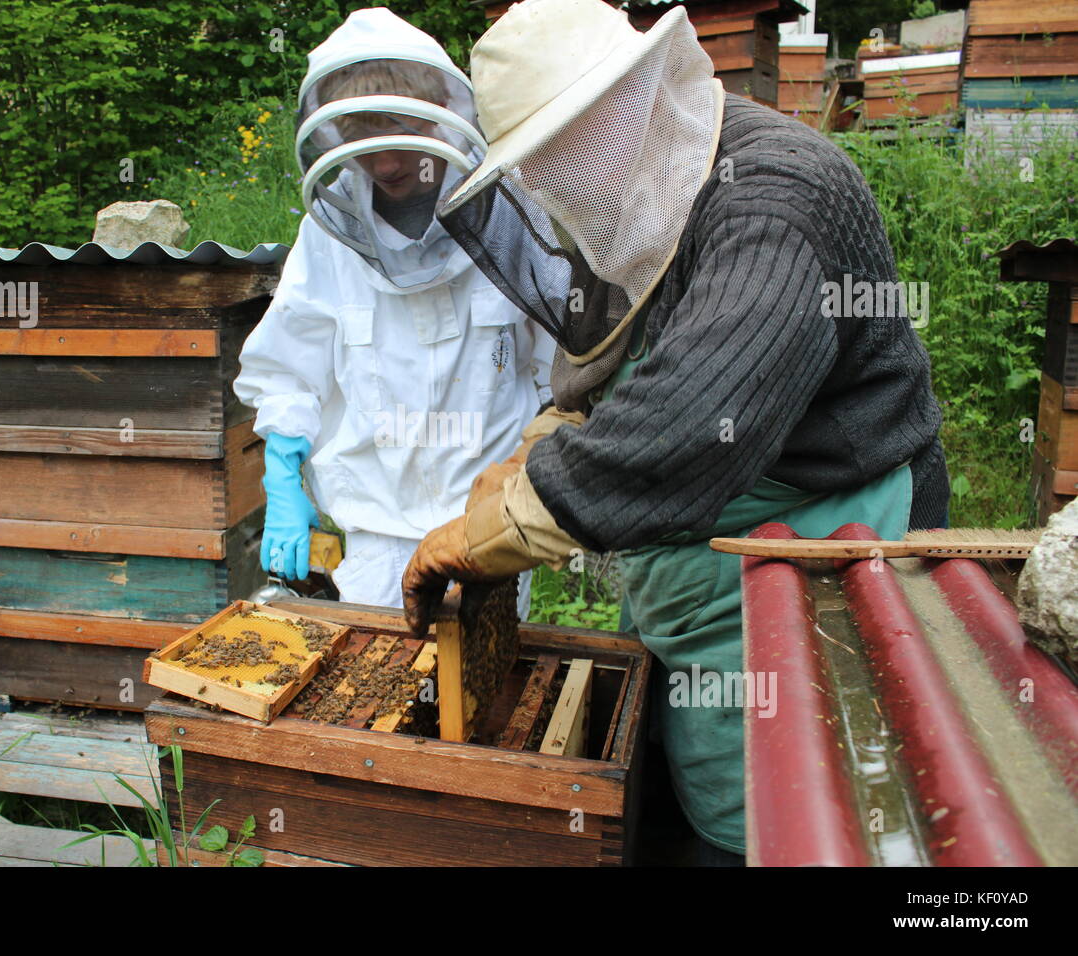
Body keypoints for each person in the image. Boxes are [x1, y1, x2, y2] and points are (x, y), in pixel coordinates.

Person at [402, 0, 949, 861]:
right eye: (532, 166)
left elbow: (687, 430)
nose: (547, 187)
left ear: (631, 101)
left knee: (803, 801)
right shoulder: (643, 186)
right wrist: (525, 455)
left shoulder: (774, 205)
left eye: (557, 154)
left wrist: (491, 534)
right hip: (705, 550)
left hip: (832, 527)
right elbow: (609, 368)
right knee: (681, 761)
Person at [234, 8, 553, 610]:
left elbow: (557, 372)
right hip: (373, 536)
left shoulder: (509, 217)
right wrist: (281, 470)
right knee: (378, 695)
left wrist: (530, 481)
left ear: (439, 109)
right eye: (359, 130)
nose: (384, 161)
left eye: (395, 123)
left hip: (486, 528)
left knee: (484, 691)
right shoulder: (328, 238)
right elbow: (288, 368)